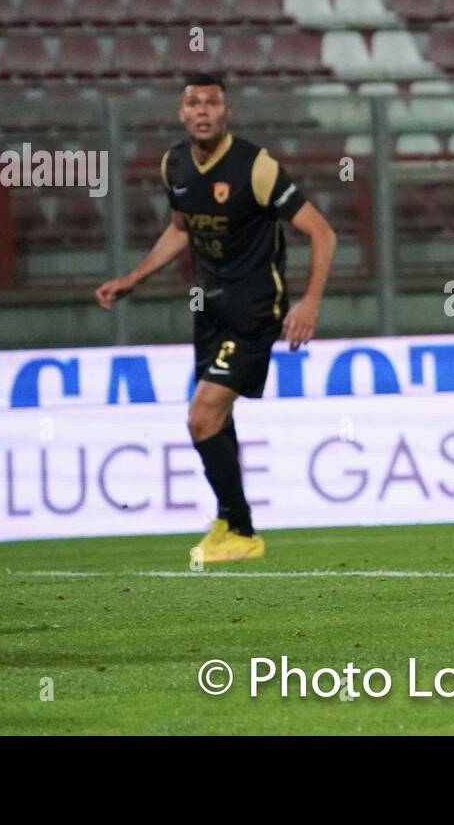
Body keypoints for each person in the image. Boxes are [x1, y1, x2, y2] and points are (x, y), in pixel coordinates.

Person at [95, 73, 336, 562]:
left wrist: (309, 302)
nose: (202, 110)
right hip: (209, 309)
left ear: (226, 113)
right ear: (181, 113)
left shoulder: (257, 167)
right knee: (215, 418)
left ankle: (241, 531)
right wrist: (134, 278)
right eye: (193, 103)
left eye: (212, 102)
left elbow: (322, 232)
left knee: (201, 415)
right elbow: (180, 230)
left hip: (254, 308)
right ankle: (234, 525)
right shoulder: (175, 165)